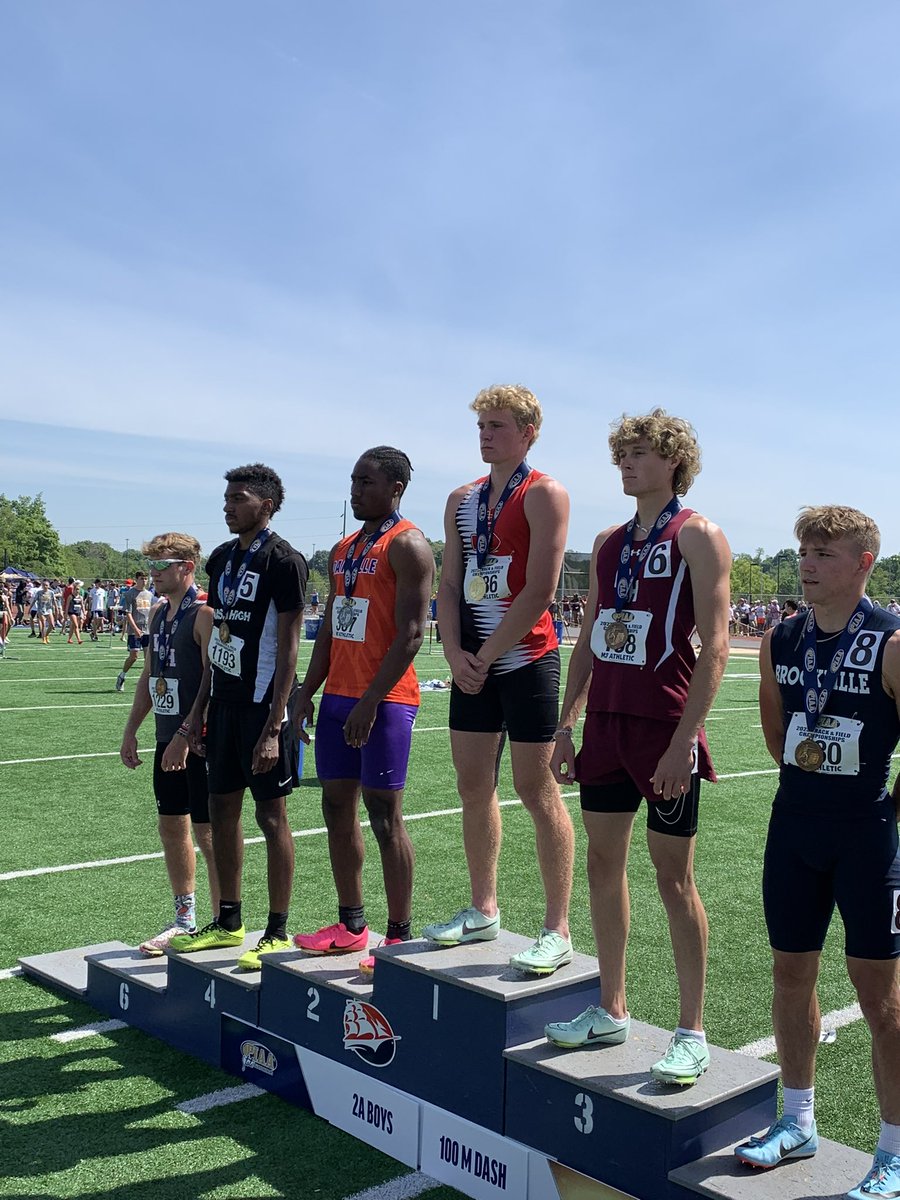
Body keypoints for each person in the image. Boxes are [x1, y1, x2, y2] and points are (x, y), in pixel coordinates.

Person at [544, 408, 731, 1086]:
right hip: (608, 728)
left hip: (664, 727)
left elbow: (714, 646)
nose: (627, 464)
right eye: (622, 453)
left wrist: (686, 740)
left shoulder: (699, 535)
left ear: (675, 462)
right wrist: (567, 725)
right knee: (601, 864)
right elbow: (590, 635)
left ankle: (692, 1030)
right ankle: (610, 1007)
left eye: (642, 454)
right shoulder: (607, 541)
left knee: (674, 880)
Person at [734, 506, 900, 1199]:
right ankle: (797, 1119)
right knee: (790, 974)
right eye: (803, 550)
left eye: (824, 553)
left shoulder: (891, 640)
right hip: (795, 824)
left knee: (880, 996)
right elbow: (778, 737)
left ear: (863, 562)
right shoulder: (783, 637)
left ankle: (892, 1149)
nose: (805, 563)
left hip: (867, 831)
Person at [423, 383, 575, 975]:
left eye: (498, 425)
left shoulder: (545, 494)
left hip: (527, 659)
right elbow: (451, 583)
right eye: (481, 425)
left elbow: (541, 589)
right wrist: (456, 651)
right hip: (472, 664)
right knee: (472, 787)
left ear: (528, 432)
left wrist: (485, 654)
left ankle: (556, 927)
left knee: (536, 791)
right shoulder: (462, 499)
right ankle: (482, 906)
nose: (486, 434)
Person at [292, 447, 435, 973]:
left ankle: (398, 937)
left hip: (386, 699)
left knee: (383, 815)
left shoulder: (410, 545)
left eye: (366, 482)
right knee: (335, 809)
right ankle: (352, 925)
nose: (355, 491)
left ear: (395, 487)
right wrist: (307, 690)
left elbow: (412, 633)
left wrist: (371, 701)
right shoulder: (343, 549)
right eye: (352, 481)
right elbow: (331, 624)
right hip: (338, 699)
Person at [170, 463, 308, 971]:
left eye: (238, 498)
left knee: (272, 816)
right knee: (220, 810)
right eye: (226, 497)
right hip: (224, 706)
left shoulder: (284, 560)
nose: (227, 505)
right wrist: (199, 713)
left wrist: (276, 725)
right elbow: (217, 646)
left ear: (266, 505)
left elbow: (290, 647)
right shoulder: (223, 557)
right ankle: (229, 920)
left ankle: (278, 928)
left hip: (262, 709)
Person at [120, 534, 220, 954]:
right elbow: (149, 676)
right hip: (167, 737)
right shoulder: (159, 613)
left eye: (163, 565)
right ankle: (185, 917)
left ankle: (222, 919)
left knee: (208, 830)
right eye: (152, 565)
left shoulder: (205, 614)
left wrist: (186, 733)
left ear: (187, 567)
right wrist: (131, 728)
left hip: (198, 740)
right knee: (171, 825)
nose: (154, 573)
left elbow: (214, 678)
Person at [116, 572, 153, 689]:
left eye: (146, 579)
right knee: (134, 656)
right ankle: (122, 675)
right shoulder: (130, 594)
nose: (144, 581)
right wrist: (136, 629)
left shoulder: (150, 594)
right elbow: (128, 613)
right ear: (136, 579)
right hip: (134, 630)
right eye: (142, 579)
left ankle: (147, 682)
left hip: (147, 629)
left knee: (148, 658)